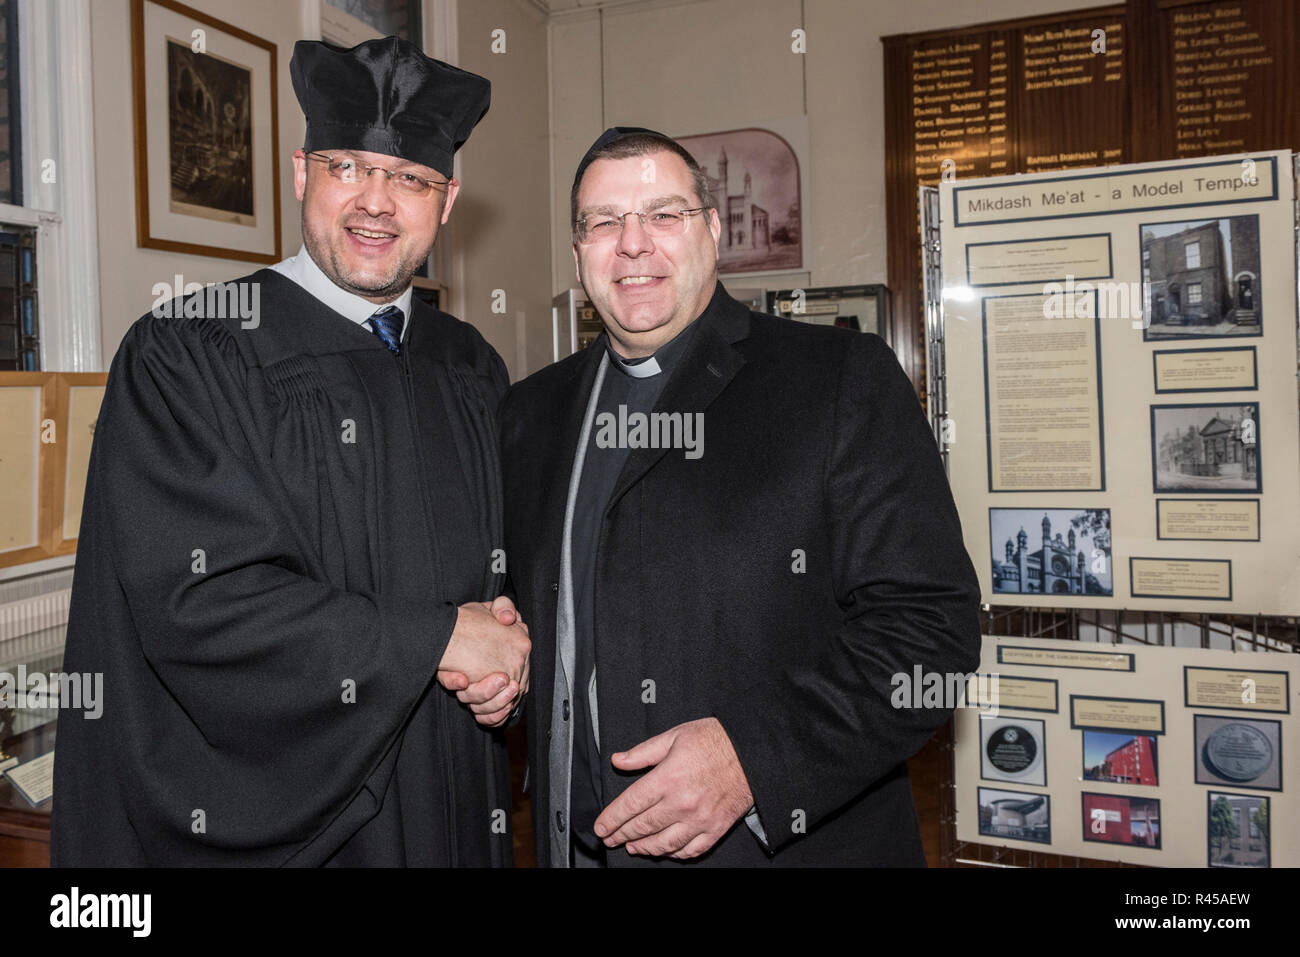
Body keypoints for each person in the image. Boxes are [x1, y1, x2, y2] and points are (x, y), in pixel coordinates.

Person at [52, 37, 528, 867]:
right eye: (349, 167)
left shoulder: (472, 367)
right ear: (302, 172)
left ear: (447, 202)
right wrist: (436, 640)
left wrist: (506, 667)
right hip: (312, 832)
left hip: (458, 794)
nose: (376, 202)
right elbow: (199, 606)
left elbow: (501, 583)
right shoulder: (190, 353)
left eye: (410, 179)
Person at [500, 128, 982, 866]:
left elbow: (932, 634)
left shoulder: (836, 381)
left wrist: (752, 761)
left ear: (714, 233)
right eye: (604, 222)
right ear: (578, 253)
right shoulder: (533, 413)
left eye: (664, 215)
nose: (633, 245)